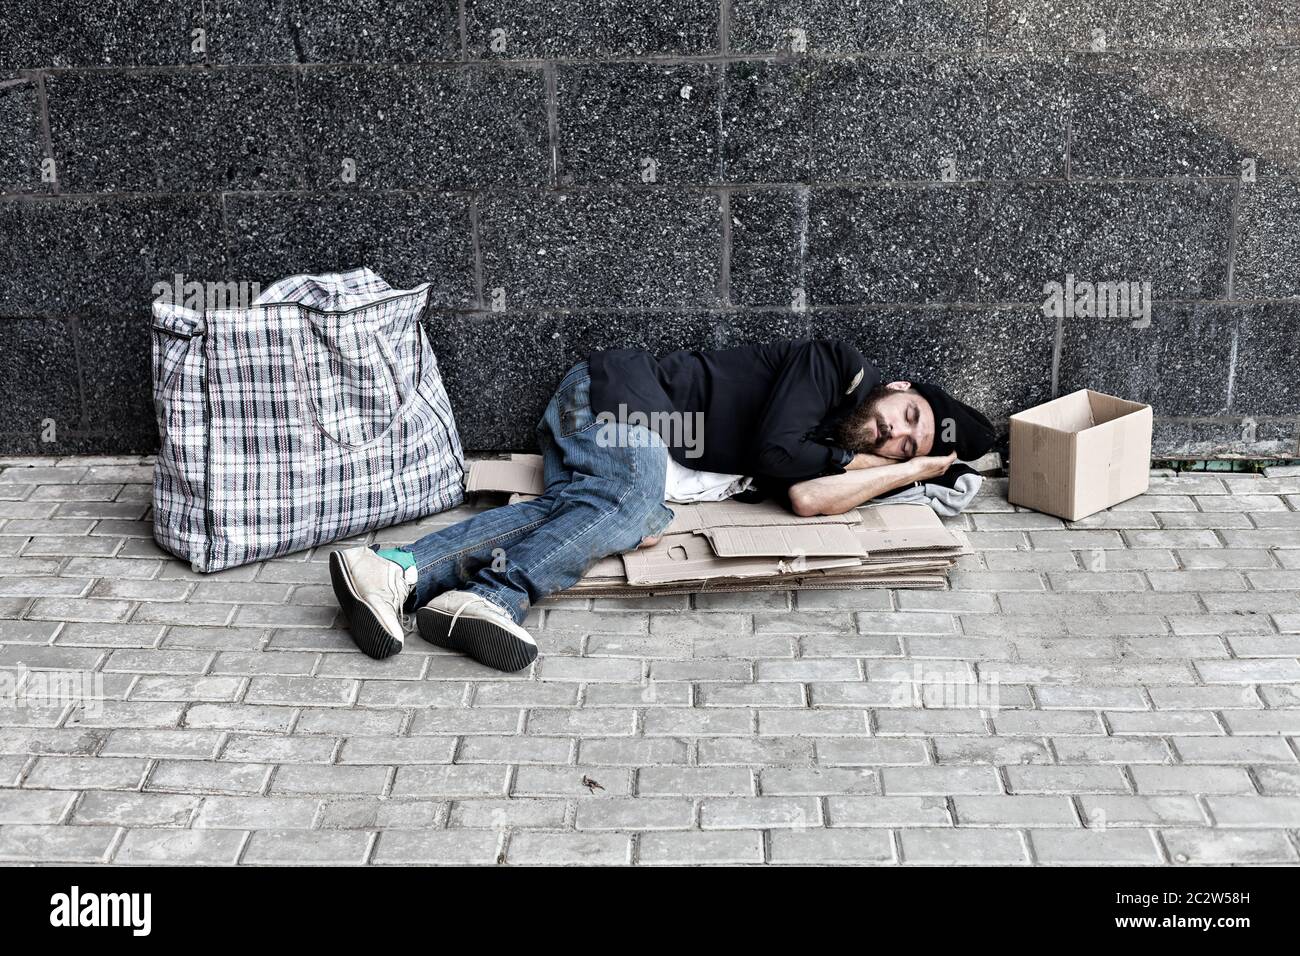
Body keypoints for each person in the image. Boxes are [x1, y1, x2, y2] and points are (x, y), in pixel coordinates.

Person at [328, 339, 995, 670]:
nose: (895, 434)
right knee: (630, 501)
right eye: (908, 415)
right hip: (616, 395)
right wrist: (879, 458)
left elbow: (808, 499)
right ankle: (496, 597)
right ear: (898, 386)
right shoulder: (834, 365)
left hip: (634, 455)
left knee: (610, 511)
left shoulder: (838, 449)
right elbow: (776, 458)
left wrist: (933, 467)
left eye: (908, 446)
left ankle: (394, 570)